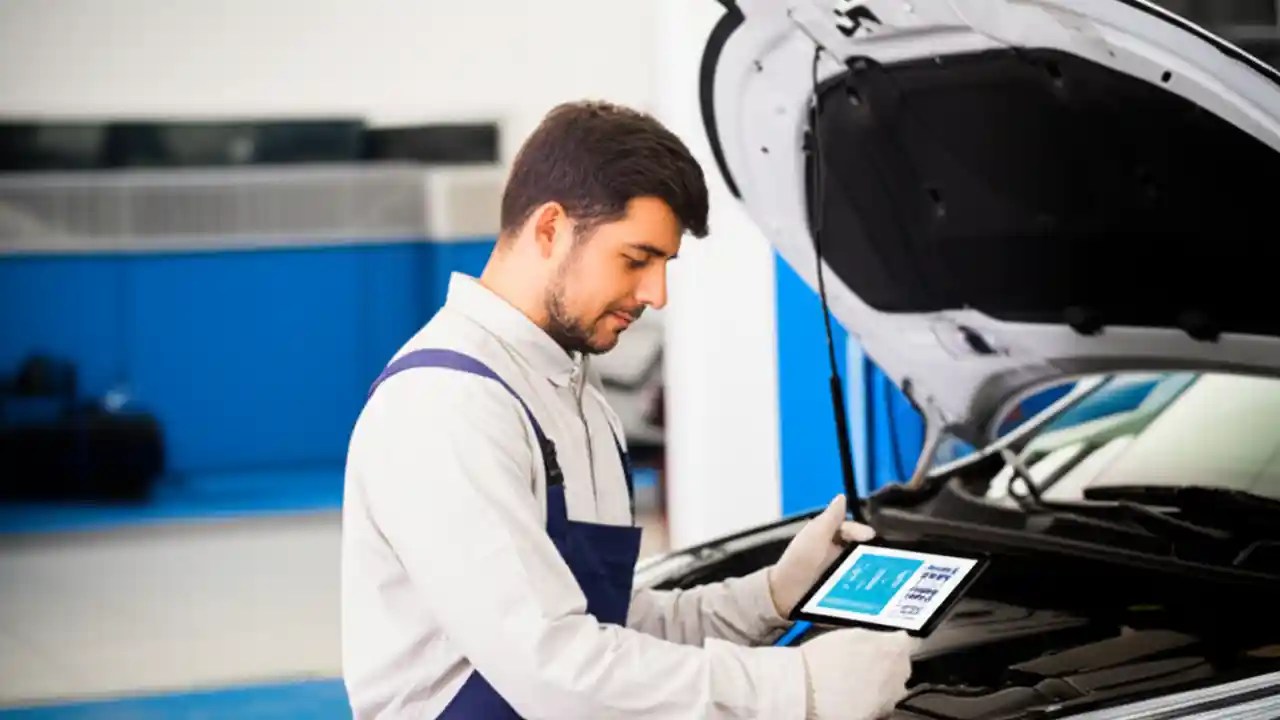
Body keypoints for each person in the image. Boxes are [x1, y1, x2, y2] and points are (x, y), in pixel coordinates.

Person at [340, 100, 917, 719]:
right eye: (636, 259)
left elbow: (613, 622)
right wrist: (794, 687)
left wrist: (771, 596)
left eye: (664, 265)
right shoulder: (449, 405)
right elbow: (552, 666)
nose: (656, 294)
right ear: (550, 229)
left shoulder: (576, 396)